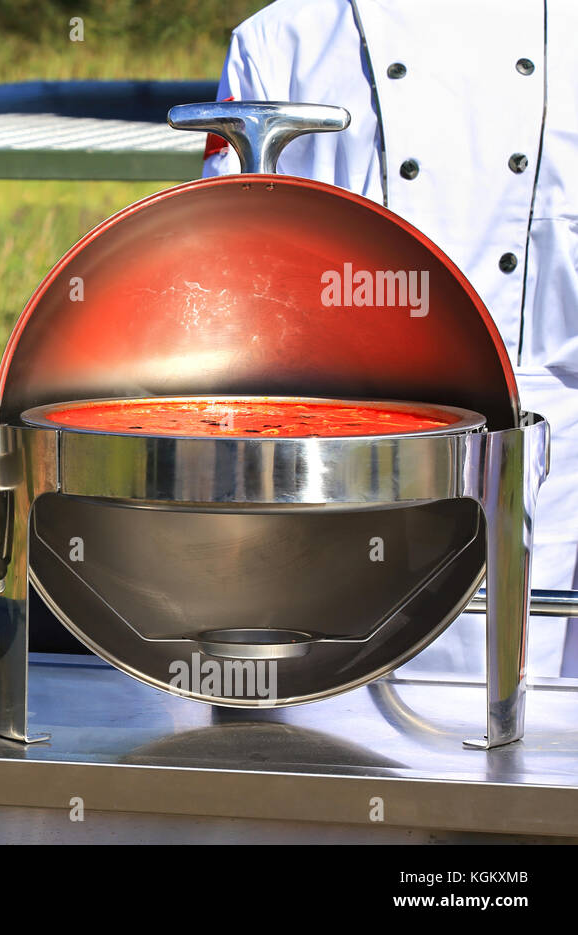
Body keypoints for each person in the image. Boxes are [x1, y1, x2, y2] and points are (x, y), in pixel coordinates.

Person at [204, 0, 578, 676]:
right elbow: (226, 290)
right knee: (340, 728)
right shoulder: (287, 37)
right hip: (335, 461)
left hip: (557, 467)